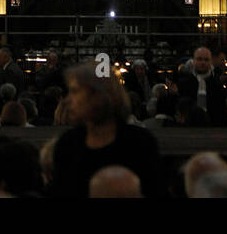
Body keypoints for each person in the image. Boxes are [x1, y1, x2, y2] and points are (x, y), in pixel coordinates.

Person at [48, 64, 162, 198]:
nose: (68, 100)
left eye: (75, 91)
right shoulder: (68, 143)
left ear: (99, 96)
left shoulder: (139, 143)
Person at [177, 47, 227, 127]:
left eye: (206, 60)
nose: (203, 63)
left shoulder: (217, 85)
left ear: (211, 62)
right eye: (199, 59)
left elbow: (222, 112)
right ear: (193, 61)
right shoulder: (184, 83)